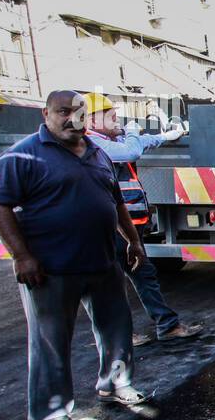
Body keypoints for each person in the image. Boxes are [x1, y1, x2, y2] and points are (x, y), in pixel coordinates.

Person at [0, 89, 148, 420]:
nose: (71, 118)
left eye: (78, 112)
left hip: (103, 262)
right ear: (45, 114)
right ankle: (52, 412)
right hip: (51, 269)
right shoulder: (22, 157)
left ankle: (116, 384)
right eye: (63, 111)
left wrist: (133, 241)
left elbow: (115, 201)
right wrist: (22, 256)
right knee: (51, 341)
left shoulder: (97, 152)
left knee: (116, 329)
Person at [79, 92, 203, 345]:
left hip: (128, 226)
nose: (118, 120)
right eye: (111, 117)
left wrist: (167, 136)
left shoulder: (110, 139)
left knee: (143, 273)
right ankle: (118, 334)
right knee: (109, 282)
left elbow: (142, 143)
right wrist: (135, 131)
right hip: (105, 227)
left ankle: (166, 325)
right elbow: (130, 151)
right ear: (90, 122)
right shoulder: (91, 144)